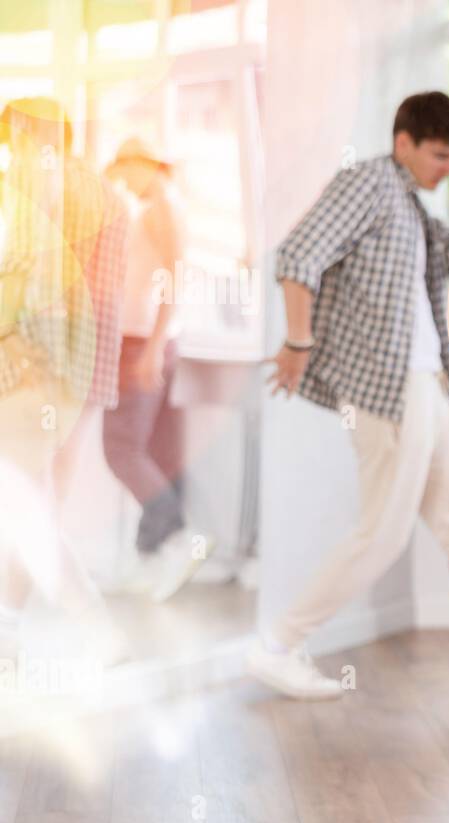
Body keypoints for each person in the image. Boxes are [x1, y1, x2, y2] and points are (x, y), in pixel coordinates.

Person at [255, 92, 449, 700]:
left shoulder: (411, 209)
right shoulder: (368, 181)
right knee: (383, 534)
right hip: (390, 390)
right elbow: (297, 254)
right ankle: (277, 645)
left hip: (428, 386)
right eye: (440, 154)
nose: (447, 167)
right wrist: (296, 340)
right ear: (404, 144)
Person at [0, 97, 129, 666]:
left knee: (26, 507)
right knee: (35, 505)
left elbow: (30, 277)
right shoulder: (105, 194)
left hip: (34, 366)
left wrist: (11, 342)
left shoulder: (39, 188)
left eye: (12, 141)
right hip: (80, 373)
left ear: (29, 136)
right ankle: (25, 628)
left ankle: (72, 630)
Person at [102, 137, 215, 602]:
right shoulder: (158, 207)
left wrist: (150, 349)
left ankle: (177, 539)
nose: (123, 183)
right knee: (154, 449)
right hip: (150, 339)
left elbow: (174, 276)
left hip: (145, 341)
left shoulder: (163, 208)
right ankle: (149, 555)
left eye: (124, 172)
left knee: (120, 447)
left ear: (140, 164)